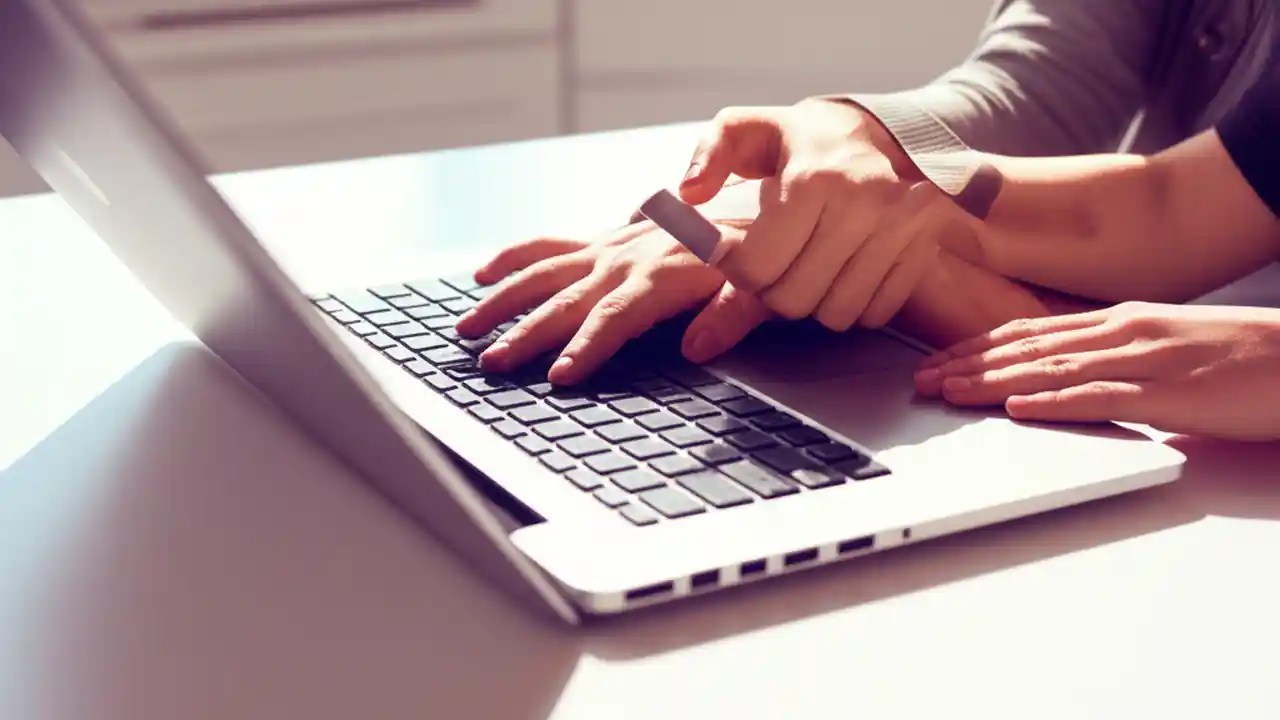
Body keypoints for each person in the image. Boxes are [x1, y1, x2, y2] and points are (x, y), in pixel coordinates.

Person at [456, 0, 1280, 437]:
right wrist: (855, 148)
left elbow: (1170, 215)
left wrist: (895, 197)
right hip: (1149, 365)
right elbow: (1129, 172)